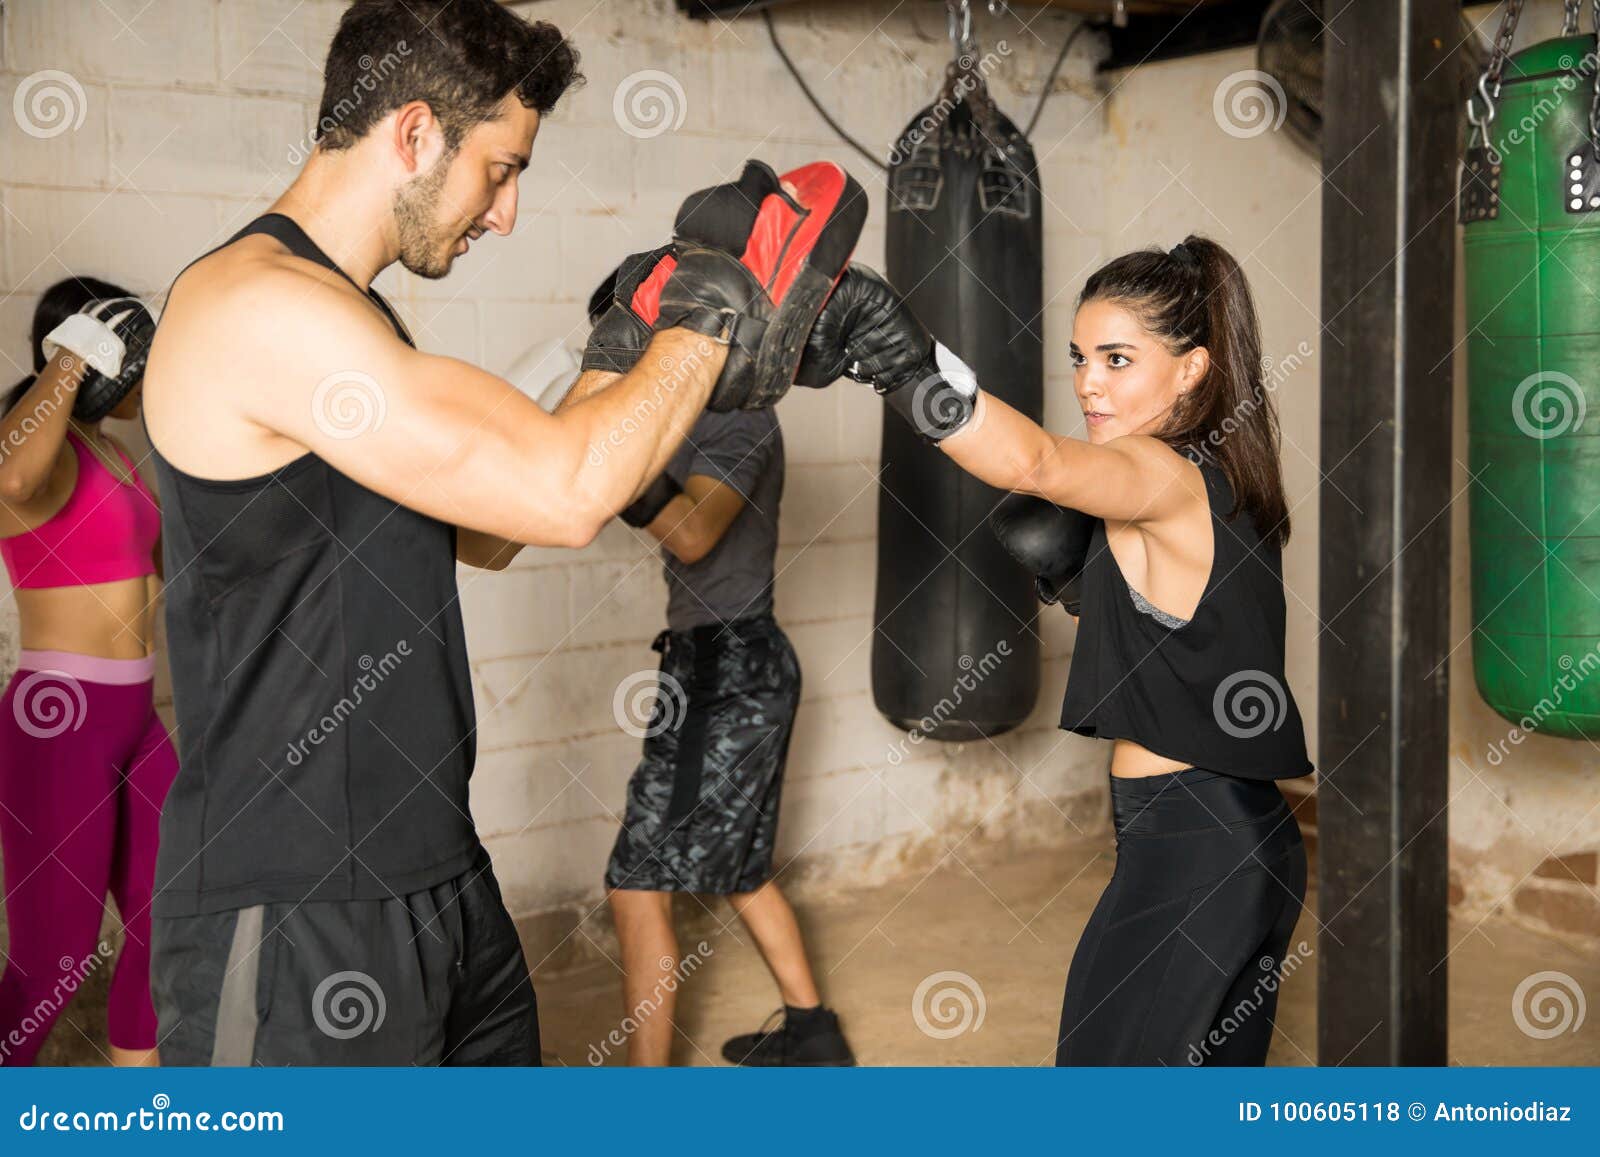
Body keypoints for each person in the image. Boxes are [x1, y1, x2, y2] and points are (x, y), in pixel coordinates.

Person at [140, 0, 859, 1067]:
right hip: (298, 902)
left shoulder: (361, 324)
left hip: (437, 870)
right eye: (502, 169)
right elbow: (571, 497)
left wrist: (627, 340)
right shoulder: (258, 307)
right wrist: (713, 312)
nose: (507, 211)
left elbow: (494, 527)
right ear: (417, 133)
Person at [800, 238, 1312, 1065]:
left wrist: (904, 362)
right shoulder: (1225, 481)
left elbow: (1032, 459)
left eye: (1118, 358)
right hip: (1242, 840)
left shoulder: (1155, 470)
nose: (1088, 382)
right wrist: (1088, 587)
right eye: (1080, 358)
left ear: (1191, 370)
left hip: (1192, 848)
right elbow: (1179, 648)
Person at [584, 270, 854, 1067]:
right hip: (721, 662)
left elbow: (695, 532)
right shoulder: (674, 422)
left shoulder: (740, 420)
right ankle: (815, 1037)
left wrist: (621, 473)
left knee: (636, 883)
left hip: (729, 667)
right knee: (739, 866)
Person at [0, 278, 173, 1067]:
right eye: (132, 355)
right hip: (60, 719)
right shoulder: (33, 445)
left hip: (136, 716)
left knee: (166, 912)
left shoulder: (115, 448)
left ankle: (135, 1101)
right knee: (55, 960)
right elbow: (11, 483)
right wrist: (69, 361)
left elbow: (161, 570)